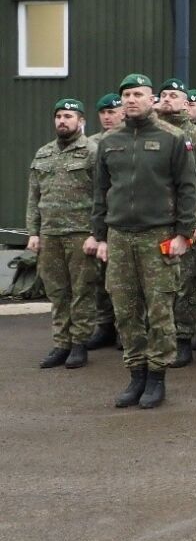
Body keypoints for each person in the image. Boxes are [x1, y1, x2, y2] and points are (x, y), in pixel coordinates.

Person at [92, 73, 196, 409]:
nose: (131, 100)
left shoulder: (173, 137)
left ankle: (157, 377)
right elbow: (100, 193)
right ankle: (136, 374)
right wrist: (100, 236)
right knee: (125, 310)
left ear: (151, 99)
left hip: (159, 236)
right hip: (120, 236)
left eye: (138, 94)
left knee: (159, 309)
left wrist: (184, 233)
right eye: (126, 95)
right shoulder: (109, 142)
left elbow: (188, 187)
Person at [28, 98, 98, 370]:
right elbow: (34, 197)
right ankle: (61, 343)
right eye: (58, 116)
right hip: (50, 234)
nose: (62, 121)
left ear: (81, 121)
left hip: (80, 233)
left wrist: (96, 233)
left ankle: (79, 344)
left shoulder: (92, 151)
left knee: (82, 290)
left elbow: (102, 195)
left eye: (68, 116)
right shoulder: (43, 153)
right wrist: (33, 231)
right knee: (57, 292)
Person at [156, 79, 196, 367]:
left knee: (186, 285)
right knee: (157, 285)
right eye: (164, 95)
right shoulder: (150, 134)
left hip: (187, 223)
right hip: (154, 223)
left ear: (186, 103)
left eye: (175, 96)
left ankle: (183, 340)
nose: (168, 99)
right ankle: (159, 339)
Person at [85, 93, 124, 352]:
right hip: (99, 219)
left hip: (123, 218)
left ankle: (126, 328)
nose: (108, 116)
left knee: (124, 279)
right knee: (100, 278)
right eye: (103, 112)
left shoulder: (128, 139)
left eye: (113, 111)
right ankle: (105, 325)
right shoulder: (91, 145)